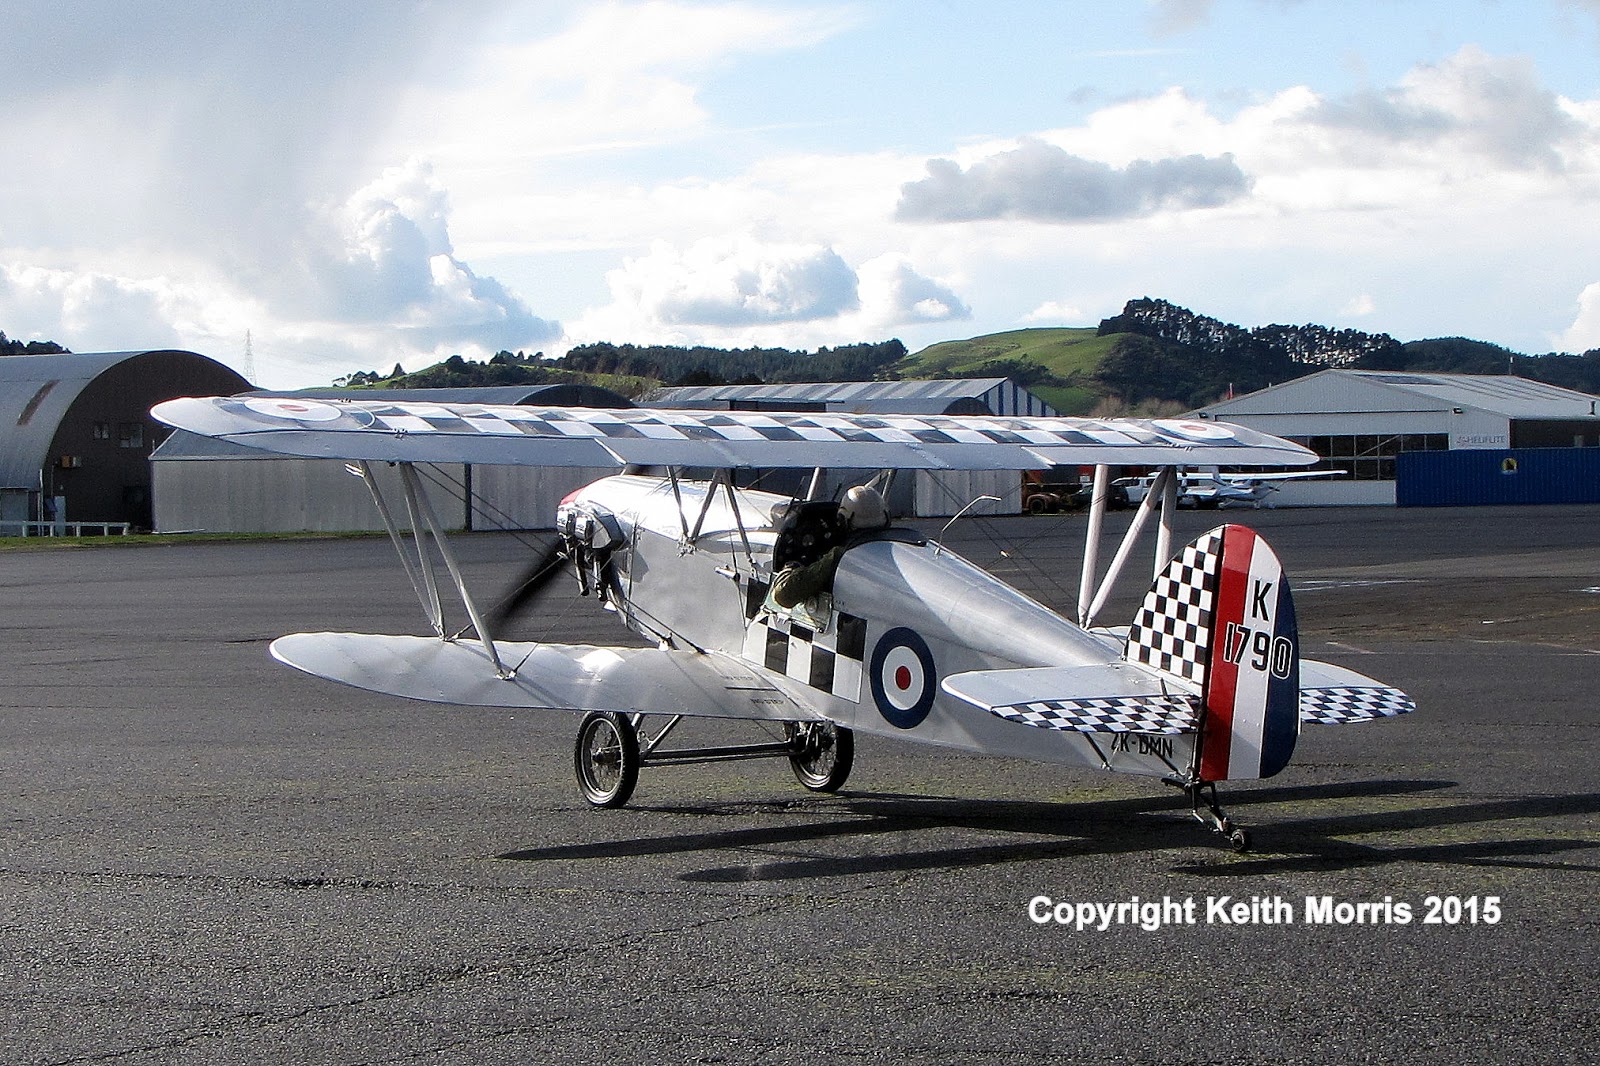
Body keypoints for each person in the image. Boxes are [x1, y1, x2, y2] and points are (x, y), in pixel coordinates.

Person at [770, 485, 888, 609]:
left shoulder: (841, 555)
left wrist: (791, 568)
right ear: (886, 516)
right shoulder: (901, 540)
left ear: (843, 519)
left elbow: (783, 596)